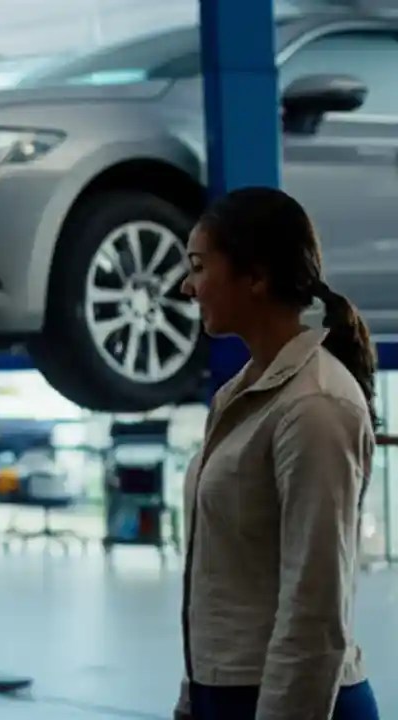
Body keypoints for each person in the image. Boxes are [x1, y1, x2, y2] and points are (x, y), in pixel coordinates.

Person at [175, 186, 381, 720]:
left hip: (291, 700)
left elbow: (315, 606)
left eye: (198, 266)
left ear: (256, 277)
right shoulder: (241, 395)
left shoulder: (315, 406)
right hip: (224, 694)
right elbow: (218, 577)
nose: (186, 286)